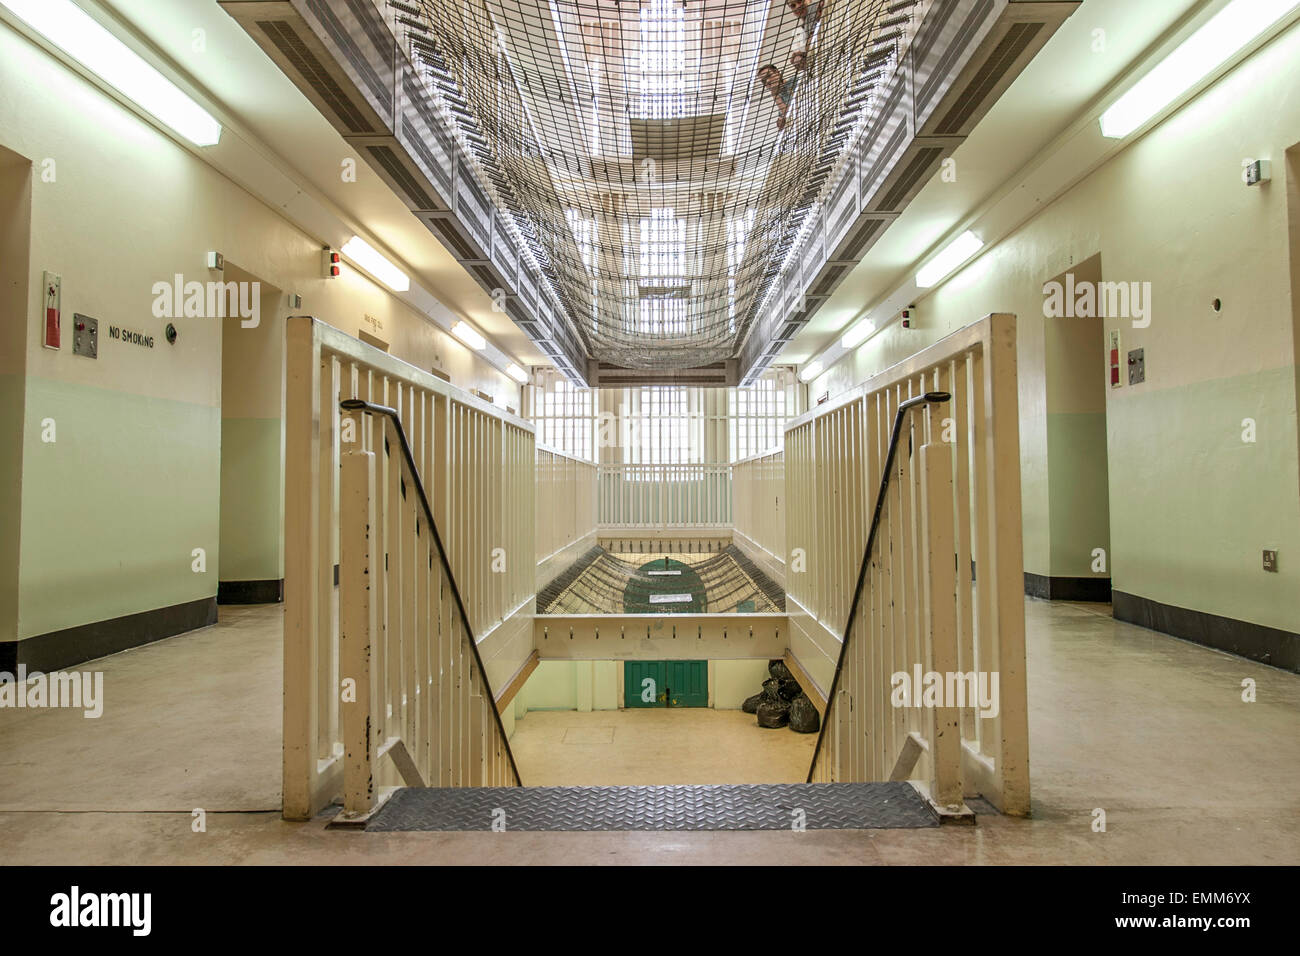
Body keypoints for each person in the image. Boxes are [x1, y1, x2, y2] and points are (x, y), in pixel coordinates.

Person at [758, 63, 798, 130]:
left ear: (777, 72)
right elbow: (784, 122)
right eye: (764, 81)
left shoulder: (794, 81)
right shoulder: (780, 98)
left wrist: (775, 95)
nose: (768, 81)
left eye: (769, 75)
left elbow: (794, 110)